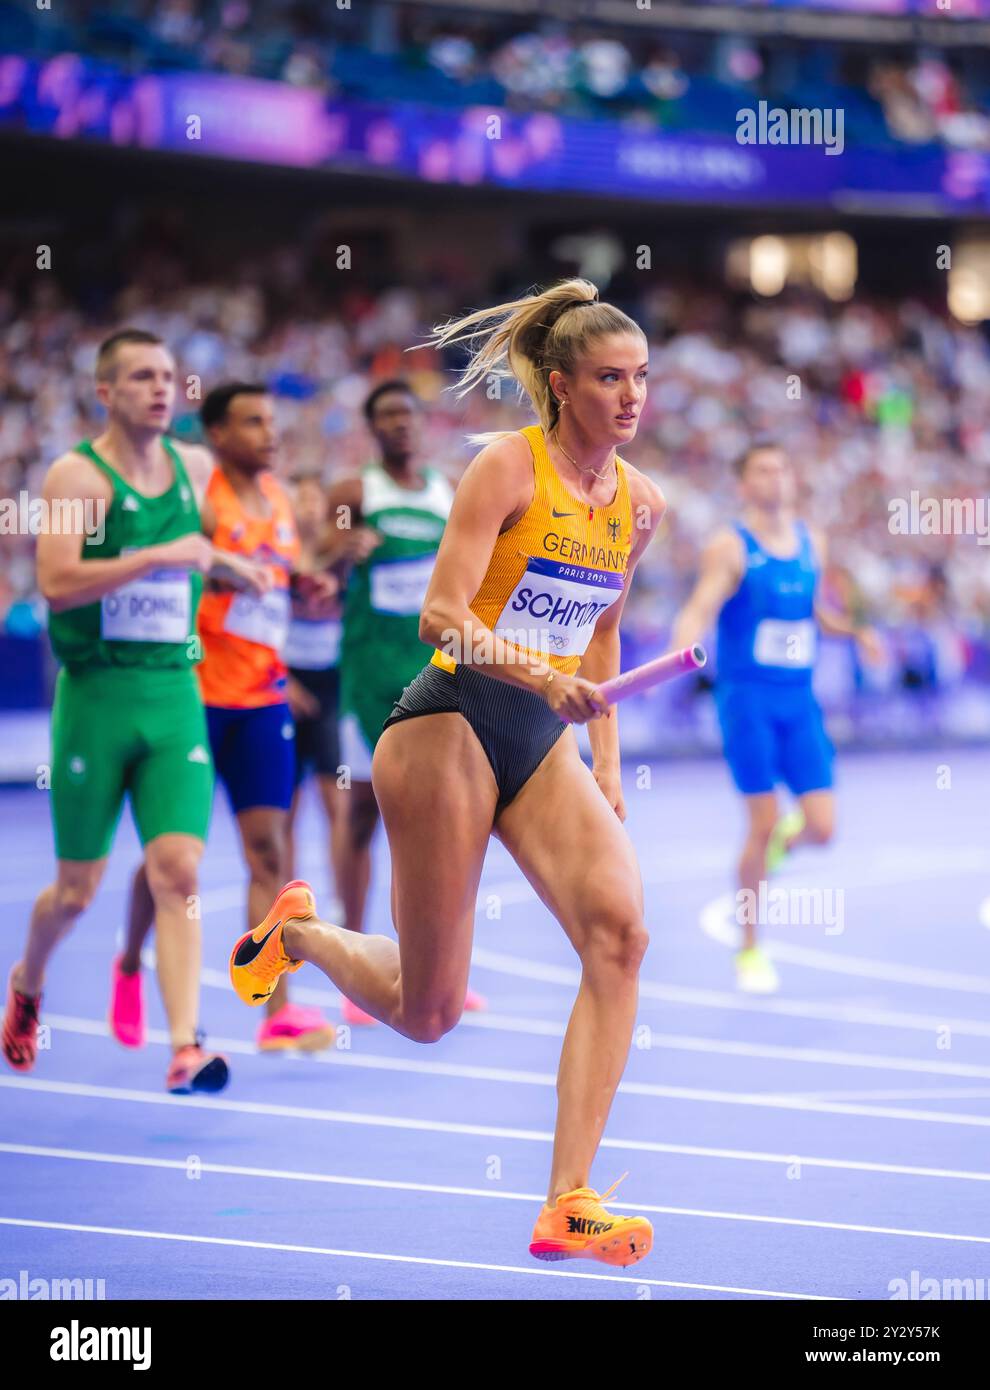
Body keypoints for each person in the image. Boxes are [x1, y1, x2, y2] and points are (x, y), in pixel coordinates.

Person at [229, 279, 666, 1266]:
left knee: (623, 933)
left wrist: (605, 760)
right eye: (610, 379)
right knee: (427, 1012)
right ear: (561, 387)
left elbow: (603, 629)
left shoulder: (640, 505)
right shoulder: (508, 469)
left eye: (642, 378)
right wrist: (537, 677)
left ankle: (569, 1198)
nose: (633, 396)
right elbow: (441, 618)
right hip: (447, 724)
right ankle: (296, 928)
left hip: (540, 733)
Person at [2, 330, 265, 1093]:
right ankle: (27, 982)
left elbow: (196, 554)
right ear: (105, 393)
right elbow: (56, 581)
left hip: (173, 693)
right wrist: (161, 557)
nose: (160, 389)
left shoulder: (194, 466)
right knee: (76, 891)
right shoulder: (77, 477)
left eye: (168, 377)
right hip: (97, 697)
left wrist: (226, 567)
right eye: (142, 377)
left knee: (178, 867)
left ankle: (186, 1044)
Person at [119, 384, 336, 1053]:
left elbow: (276, 572)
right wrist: (218, 576)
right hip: (194, 695)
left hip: (263, 698)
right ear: (215, 433)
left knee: (270, 853)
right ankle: (129, 963)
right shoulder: (197, 497)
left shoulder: (275, 497)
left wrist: (305, 582)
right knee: (170, 857)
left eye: (271, 421)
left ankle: (276, 1011)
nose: (269, 433)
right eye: (251, 422)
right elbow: (171, 574)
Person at [671, 441, 881, 993]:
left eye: (783, 469)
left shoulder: (814, 540)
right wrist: (682, 648)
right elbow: (701, 606)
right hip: (748, 703)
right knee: (760, 825)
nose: (775, 479)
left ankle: (787, 843)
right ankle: (750, 949)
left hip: (800, 702)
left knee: (824, 827)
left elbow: (814, 614)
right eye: (762, 470)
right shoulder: (730, 547)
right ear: (744, 485)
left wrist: (856, 632)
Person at [323, 380, 483, 1023]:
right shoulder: (353, 494)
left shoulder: (450, 490)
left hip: (436, 677)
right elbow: (318, 569)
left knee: (444, 822)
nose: (401, 424)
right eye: (387, 415)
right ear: (372, 427)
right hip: (367, 676)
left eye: (408, 415)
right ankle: (356, 960)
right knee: (364, 816)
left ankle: (439, 968)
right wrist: (340, 553)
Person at [284, 473, 346, 912]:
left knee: (335, 801)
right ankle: (283, 897)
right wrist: (283, 681)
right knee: (285, 808)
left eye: (314, 498)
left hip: (329, 686)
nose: (307, 506)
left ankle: (343, 899)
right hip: (285, 684)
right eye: (299, 498)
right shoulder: (278, 557)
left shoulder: (339, 559)